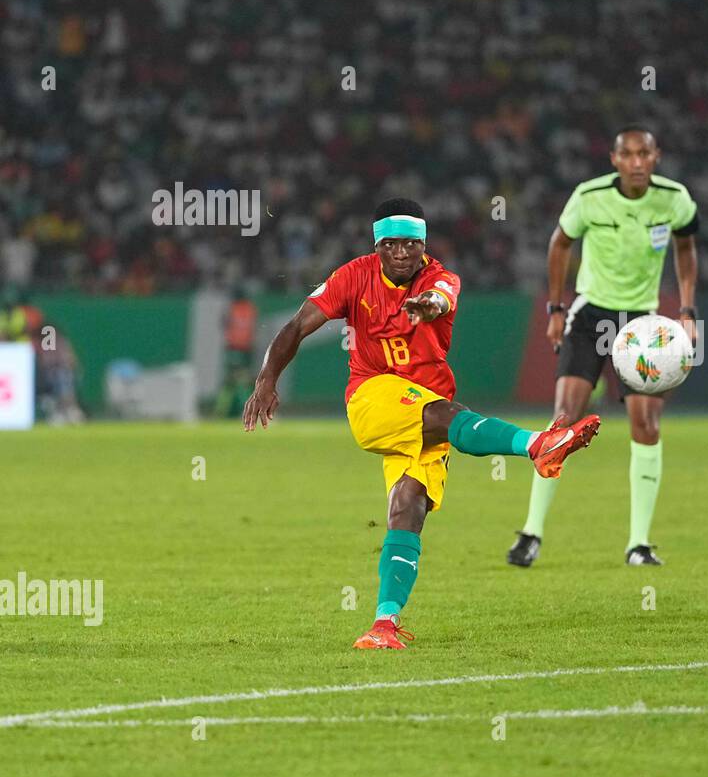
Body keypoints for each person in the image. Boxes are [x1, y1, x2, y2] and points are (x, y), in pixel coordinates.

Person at [244, 199, 600, 649]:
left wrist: (426, 306)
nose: (401, 254)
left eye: (411, 244)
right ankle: (537, 445)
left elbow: (439, 299)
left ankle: (384, 624)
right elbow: (296, 326)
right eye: (391, 244)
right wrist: (265, 379)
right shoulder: (352, 276)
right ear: (378, 247)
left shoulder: (440, 279)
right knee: (443, 413)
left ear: (423, 245)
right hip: (372, 397)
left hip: (424, 409)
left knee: (408, 507)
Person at [507, 126, 698, 567]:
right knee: (563, 420)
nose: (635, 162)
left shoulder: (674, 198)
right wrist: (556, 307)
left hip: (643, 326)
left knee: (646, 425)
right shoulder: (589, 196)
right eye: (627, 154)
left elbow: (686, 247)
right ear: (614, 159)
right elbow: (560, 244)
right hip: (590, 315)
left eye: (643, 154)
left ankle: (639, 544)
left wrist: (687, 310)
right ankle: (531, 533)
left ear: (656, 156)